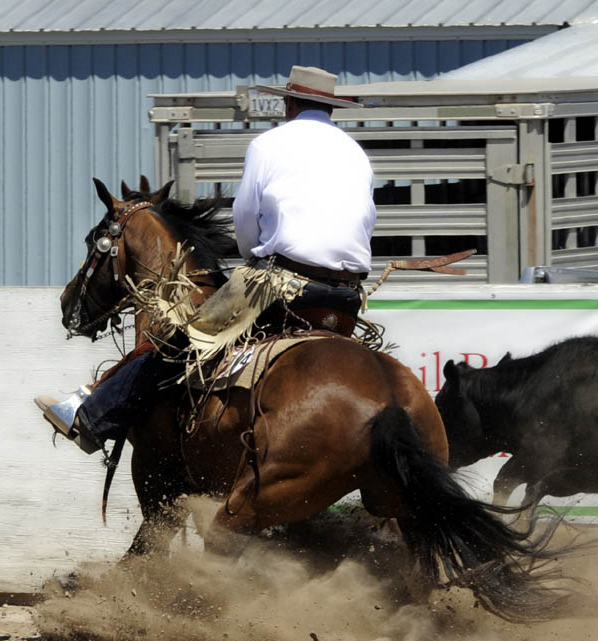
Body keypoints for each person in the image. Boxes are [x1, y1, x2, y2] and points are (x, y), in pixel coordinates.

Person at [37, 65, 376, 454]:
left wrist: (254, 256)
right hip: (346, 298)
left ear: (289, 103)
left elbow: (245, 219)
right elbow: (367, 220)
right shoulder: (356, 153)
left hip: (283, 288)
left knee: (179, 343)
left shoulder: (269, 144)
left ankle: (91, 420)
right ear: (331, 108)